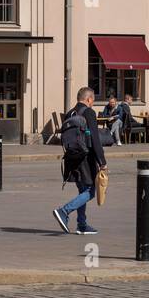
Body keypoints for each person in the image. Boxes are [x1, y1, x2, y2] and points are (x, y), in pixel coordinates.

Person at [53, 87, 107, 235]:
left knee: (82, 190)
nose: (93, 104)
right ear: (89, 99)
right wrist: (102, 161)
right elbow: (95, 138)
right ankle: (64, 211)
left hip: (71, 157)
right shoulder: (89, 112)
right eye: (93, 101)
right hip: (85, 157)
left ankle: (81, 224)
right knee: (90, 192)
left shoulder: (70, 112)